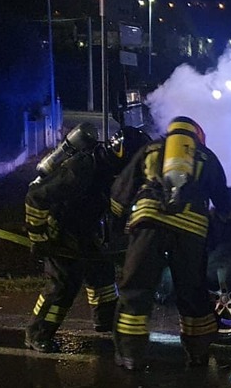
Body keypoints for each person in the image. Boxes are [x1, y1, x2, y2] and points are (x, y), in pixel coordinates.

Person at [109, 116, 231, 370]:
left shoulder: (152, 148)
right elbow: (224, 201)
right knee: (193, 293)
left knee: (136, 290)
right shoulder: (206, 156)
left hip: (149, 224)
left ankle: (130, 355)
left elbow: (121, 190)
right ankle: (198, 354)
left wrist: (116, 226)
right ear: (197, 137)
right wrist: (227, 218)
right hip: (191, 232)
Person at [23, 123, 150, 352]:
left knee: (101, 273)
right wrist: (39, 238)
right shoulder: (81, 168)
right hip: (60, 230)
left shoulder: (110, 170)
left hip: (85, 230)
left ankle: (105, 321)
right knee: (63, 285)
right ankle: (37, 333)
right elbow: (36, 198)